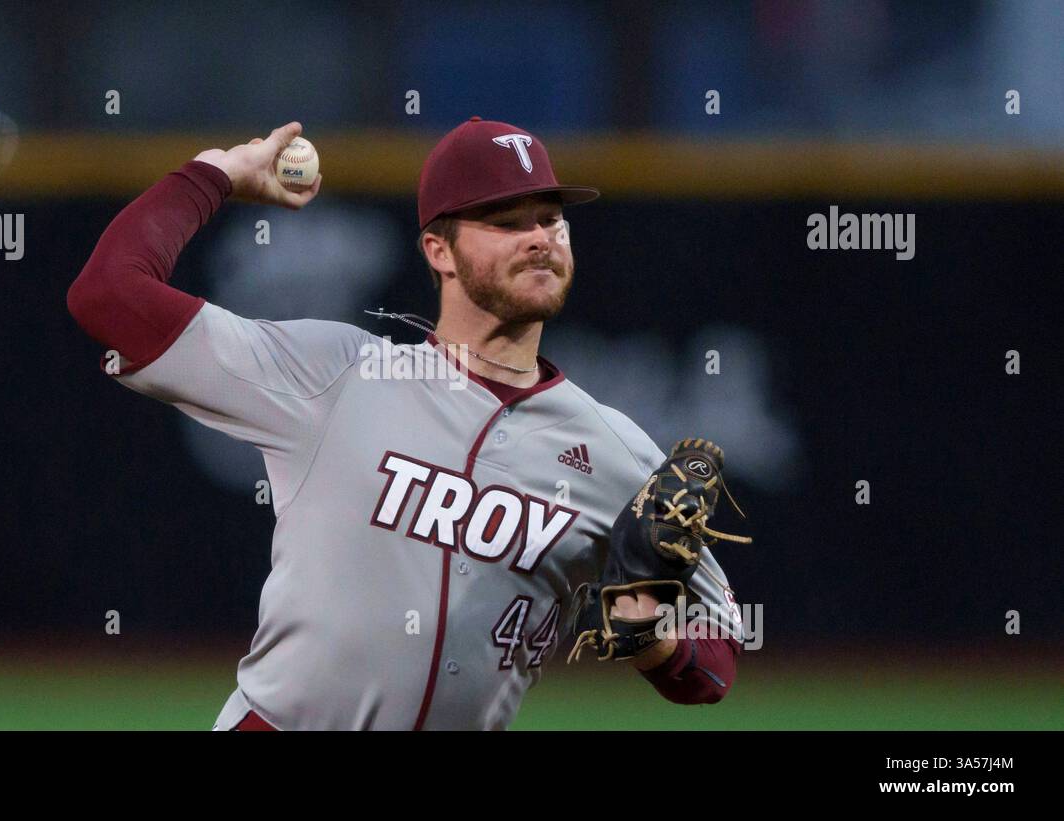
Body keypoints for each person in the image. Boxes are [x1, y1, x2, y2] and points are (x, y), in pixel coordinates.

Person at [67, 118, 746, 730]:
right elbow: (108, 293)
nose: (541, 235)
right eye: (507, 220)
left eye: (551, 217)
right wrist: (213, 173)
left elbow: (717, 658)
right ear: (439, 250)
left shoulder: (615, 451)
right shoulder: (334, 374)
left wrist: (651, 634)